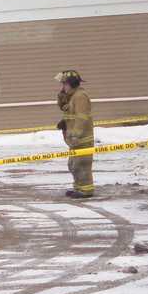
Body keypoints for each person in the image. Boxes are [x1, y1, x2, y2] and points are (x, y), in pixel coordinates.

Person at [56, 70, 94, 198]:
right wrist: (64, 122)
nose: (62, 87)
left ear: (71, 84)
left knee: (82, 164)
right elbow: (69, 112)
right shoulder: (73, 96)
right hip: (74, 140)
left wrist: (76, 134)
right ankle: (78, 187)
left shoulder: (80, 96)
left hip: (81, 139)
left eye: (64, 84)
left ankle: (86, 190)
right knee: (73, 165)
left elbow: (82, 117)